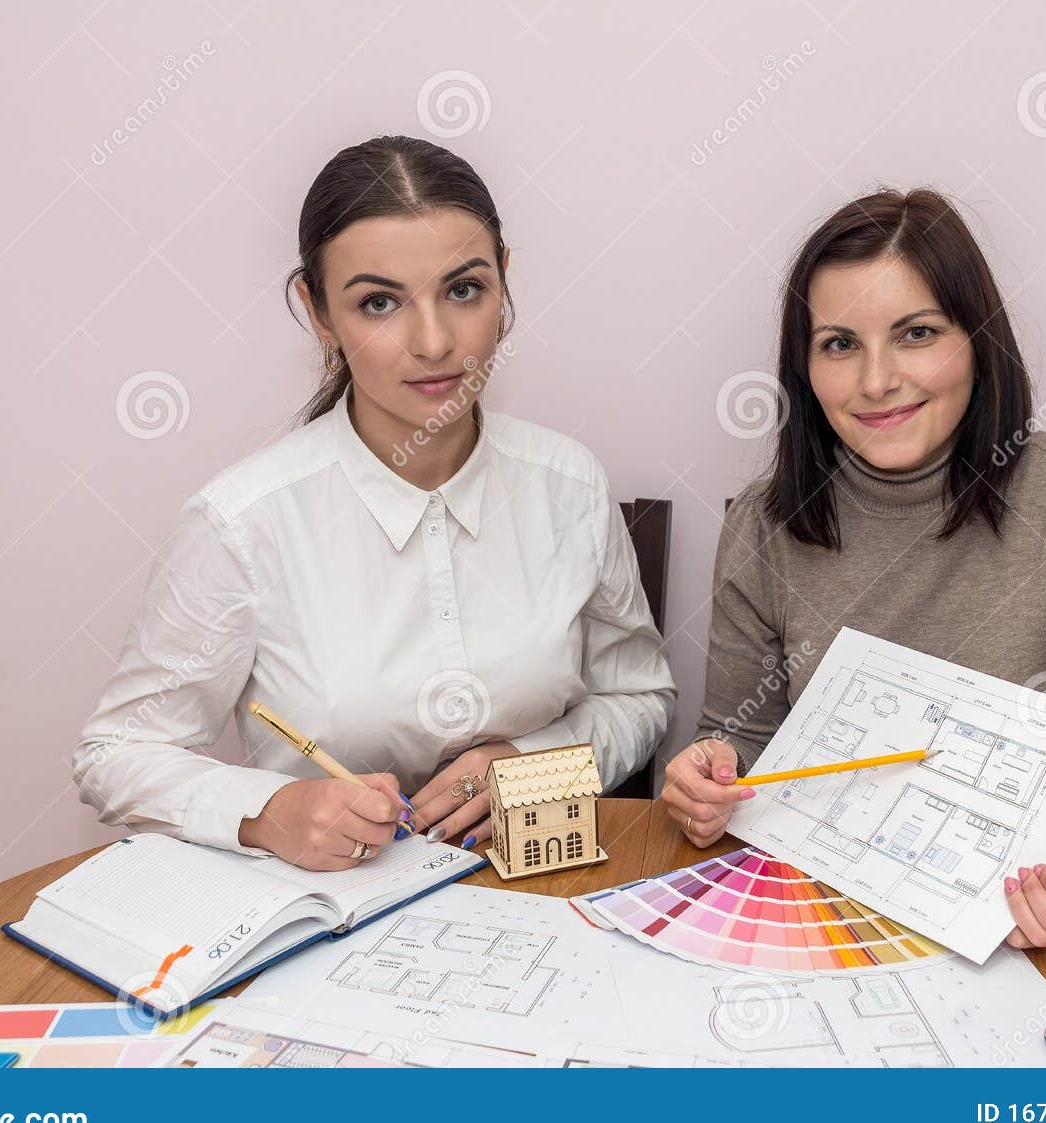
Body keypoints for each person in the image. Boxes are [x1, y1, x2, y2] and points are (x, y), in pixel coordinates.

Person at [73, 135, 674, 869]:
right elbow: (116, 751)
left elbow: (640, 697)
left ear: (505, 282)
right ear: (318, 312)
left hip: (540, 887)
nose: (434, 341)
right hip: (330, 910)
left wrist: (535, 762)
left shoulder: (569, 484)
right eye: (379, 302)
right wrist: (266, 811)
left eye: (464, 290)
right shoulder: (243, 522)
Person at [661, 188, 1046, 950]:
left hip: (1009, 911)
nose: (877, 381)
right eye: (839, 344)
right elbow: (743, 740)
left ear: (978, 340)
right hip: (822, 911)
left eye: (916, 333)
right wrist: (712, 779)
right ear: (804, 368)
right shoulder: (764, 521)